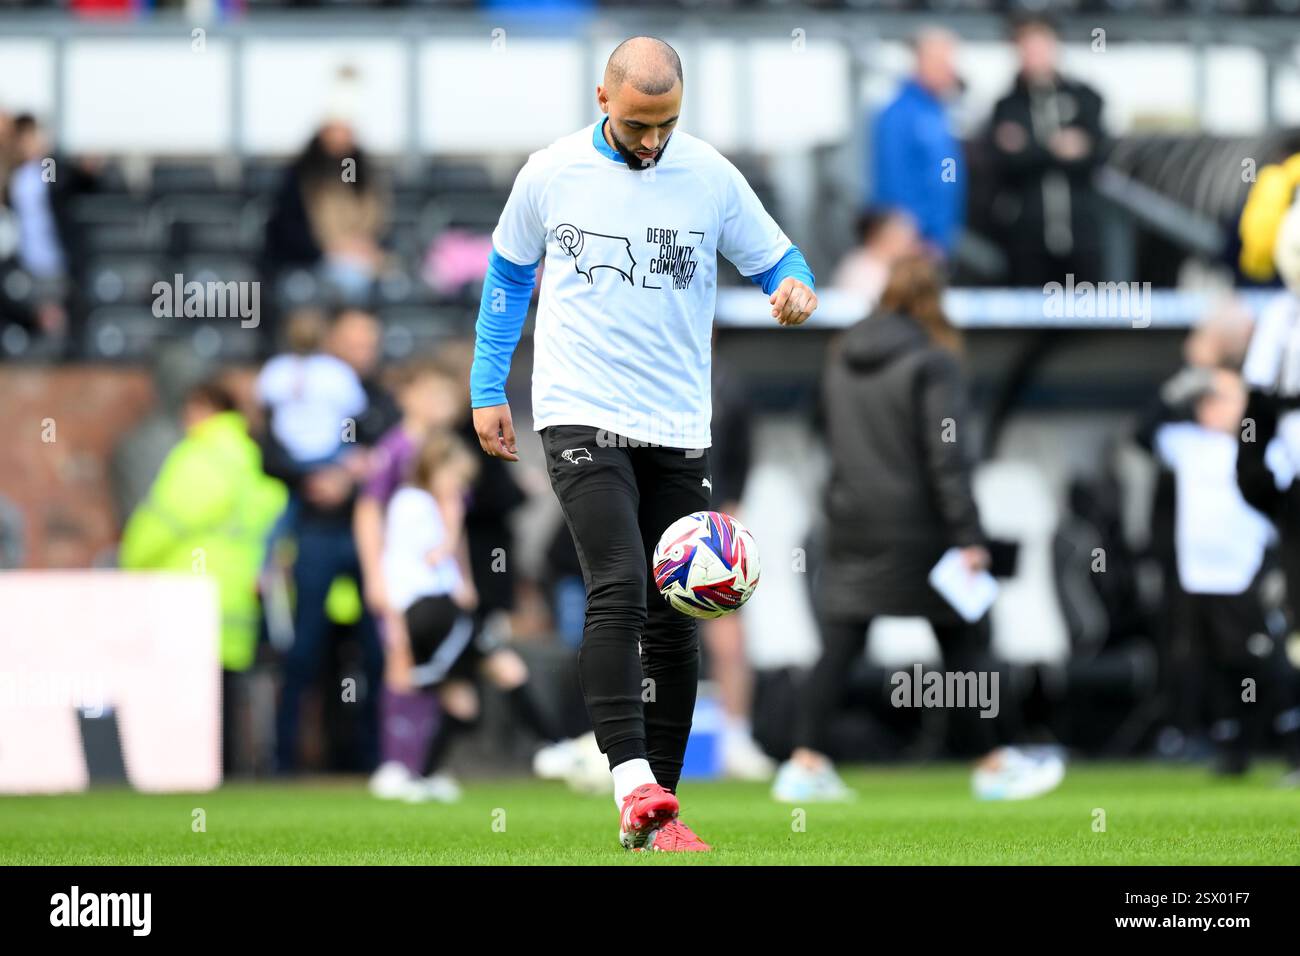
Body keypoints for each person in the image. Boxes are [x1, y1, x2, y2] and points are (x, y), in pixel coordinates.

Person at [470, 36, 817, 851]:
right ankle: (630, 781)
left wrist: (792, 286)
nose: (652, 142)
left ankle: (663, 807)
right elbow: (508, 277)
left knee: (677, 614)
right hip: (580, 411)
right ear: (602, 98)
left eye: (665, 124)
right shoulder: (549, 172)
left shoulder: (710, 174)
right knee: (620, 582)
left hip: (676, 421)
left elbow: (779, 259)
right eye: (635, 125)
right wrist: (488, 386)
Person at [774, 256, 1000, 802]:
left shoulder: (841, 355)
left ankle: (803, 763)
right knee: (964, 641)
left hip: (851, 522)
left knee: (841, 645)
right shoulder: (932, 361)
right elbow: (946, 456)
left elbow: (822, 432)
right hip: (919, 527)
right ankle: (994, 762)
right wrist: (968, 535)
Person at [119, 379, 287, 775]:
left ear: (205, 409)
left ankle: (182, 774)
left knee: (184, 699)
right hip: (236, 597)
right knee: (225, 698)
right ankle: (225, 774)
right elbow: (272, 508)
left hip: (188, 592)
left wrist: (131, 562)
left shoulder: (202, 456)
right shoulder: (249, 458)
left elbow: (165, 520)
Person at [1139, 366, 1300, 777]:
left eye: (1224, 398)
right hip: (1199, 580)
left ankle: (1292, 747)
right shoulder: (1189, 445)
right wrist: (1195, 373)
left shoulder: (1266, 448)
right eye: (1207, 401)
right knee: (1219, 670)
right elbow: (1144, 429)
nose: (1212, 407)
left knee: (1267, 664)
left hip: (1247, 575)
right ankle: (1234, 753)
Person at [384, 431, 561, 802]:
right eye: (455, 478)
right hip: (431, 609)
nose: (458, 487)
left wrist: (463, 583)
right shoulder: (414, 503)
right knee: (508, 668)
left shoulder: (419, 502)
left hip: (441, 606)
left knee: (463, 703)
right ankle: (552, 747)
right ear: (436, 469)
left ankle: (422, 777)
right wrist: (451, 517)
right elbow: (434, 555)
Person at [987, 15, 1105, 286]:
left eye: (1040, 47)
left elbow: (1097, 153)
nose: (1034, 56)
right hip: (1027, 241)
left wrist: (1030, 145)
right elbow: (1007, 161)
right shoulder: (1007, 106)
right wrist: (1057, 147)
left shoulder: (1085, 98)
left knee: (1085, 319)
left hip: (1081, 236)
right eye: (1027, 49)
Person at [869, 28, 965, 257]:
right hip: (913, 244)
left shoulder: (939, 111)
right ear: (921, 61)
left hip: (938, 241)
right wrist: (912, 235)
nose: (949, 70)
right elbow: (893, 180)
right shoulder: (899, 114)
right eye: (941, 62)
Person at [830, 207, 921, 313]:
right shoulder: (860, 268)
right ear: (879, 236)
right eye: (902, 238)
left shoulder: (897, 268)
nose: (910, 246)